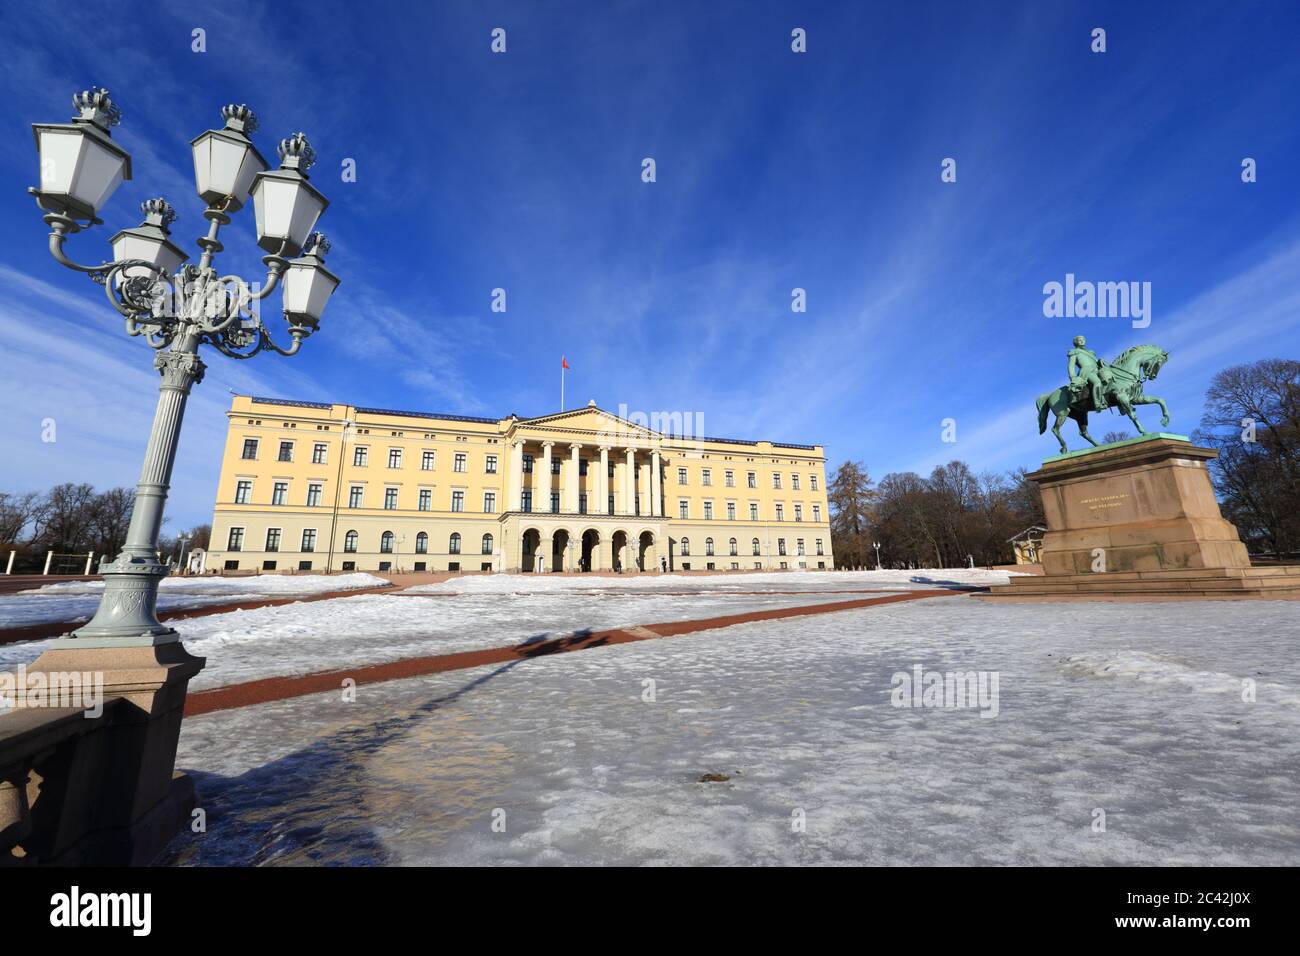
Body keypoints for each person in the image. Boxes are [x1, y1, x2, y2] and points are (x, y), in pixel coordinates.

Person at [1067, 335, 1108, 412]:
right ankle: (1098, 404)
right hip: (1087, 371)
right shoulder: (1074, 352)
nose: (1082, 341)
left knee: (1109, 380)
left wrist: (1099, 361)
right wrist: (1073, 377)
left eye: (1083, 339)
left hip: (1097, 370)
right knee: (1097, 382)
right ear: (1076, 342)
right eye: (1079, 340)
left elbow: (1095, 362)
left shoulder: (1090, 352)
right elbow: (1071, 366)